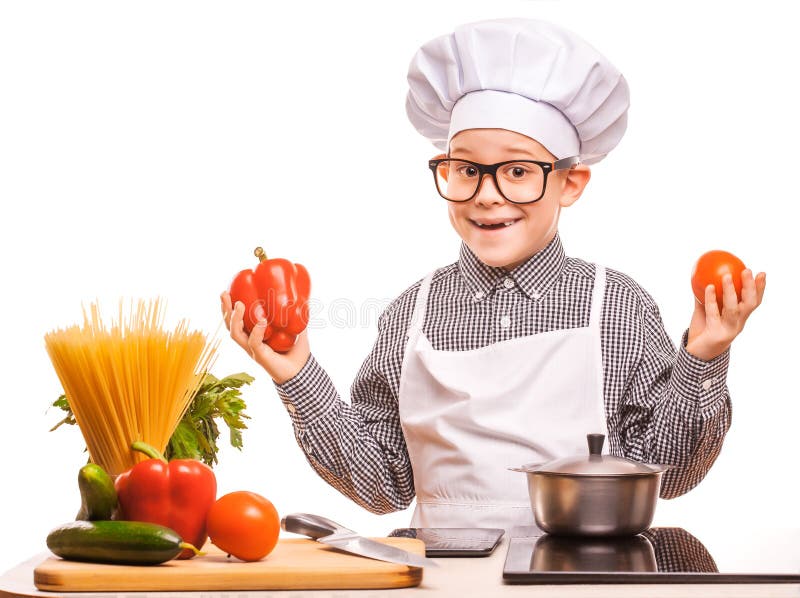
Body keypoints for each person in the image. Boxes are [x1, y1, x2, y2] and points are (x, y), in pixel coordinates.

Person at [220, 18, 766, 530]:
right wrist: (296, 373)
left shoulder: (617, 306)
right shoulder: (411, 313)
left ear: (570, 184)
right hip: (441, 581)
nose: (486, 196)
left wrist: (705, 356)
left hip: (577, 580)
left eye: (518, 171)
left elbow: (666, 474)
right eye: (465, 169)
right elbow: (382, 483)